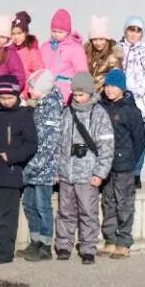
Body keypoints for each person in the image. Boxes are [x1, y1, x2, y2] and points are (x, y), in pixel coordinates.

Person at [54, 71, 113, 265]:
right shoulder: (67, 113)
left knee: (88, 212)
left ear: (90, 92)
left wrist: (100, 173)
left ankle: (88, 248)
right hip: (66, 173)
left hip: (87, 174)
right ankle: (63, 244)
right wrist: (56, 169)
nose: (77, 98)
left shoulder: (98, 114)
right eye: (75, 94)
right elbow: (58, 144)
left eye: (81, 94)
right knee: (65, 211)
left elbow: (106, 146)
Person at [0, 74, 37, 264]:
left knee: (7, 214)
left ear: (17, 95)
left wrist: (12, 156)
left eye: (9, 98)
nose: (5, 102)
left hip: (11, 171)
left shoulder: (24, 115)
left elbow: (31, 144)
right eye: (2, 98)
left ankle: (4, 251)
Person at [98, 69, 145, 259]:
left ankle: (124, 241)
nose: (109, 90)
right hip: (106, 165)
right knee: (108, 202)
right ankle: (110, 239)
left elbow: (140, 140)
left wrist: (131, 161)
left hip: (124, 165)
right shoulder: (101, 107)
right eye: (107, 86)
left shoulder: (131, 110)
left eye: (114, 86)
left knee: (124, 204)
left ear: (122, 88)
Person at [20, 69, 62, 262]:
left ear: (42, 88)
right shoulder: (38, 104)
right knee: (29, 204)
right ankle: (35, 240)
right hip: (31, 165)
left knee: (43, 206)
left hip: (43, 167)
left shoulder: (51, 106)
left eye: (32, 87)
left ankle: (45, 244)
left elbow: (50, 142)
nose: (29, 90)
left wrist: (35, 164)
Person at [119, 15, 145, 188]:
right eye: (131, 30)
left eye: (137, 31)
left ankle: (136, 173)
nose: (134, 34)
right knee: (120, 137)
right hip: (118, 99)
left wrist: (138, 91)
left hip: (137, 100)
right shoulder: (117, 48)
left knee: (138, 138)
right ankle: (120, 172)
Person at [41, 8, 86, 104]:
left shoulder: (76, 48)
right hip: (45, 94)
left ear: (68, 31)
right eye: (54, 31)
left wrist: (78, 94)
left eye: (60, 32)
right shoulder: (45, 47)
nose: (56, 34)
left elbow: (82, 73)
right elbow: (40, 69)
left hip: (66, 95)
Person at [0, 12, 26, 92]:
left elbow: (19, 75)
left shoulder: (10, 53)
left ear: (8, 38)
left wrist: (10, 93)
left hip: (3, 96)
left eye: (2, 37)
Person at [85, 16, 123, 93]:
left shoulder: (113, 55)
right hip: (89, 95)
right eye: (95, 39)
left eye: (101, 39)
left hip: (104, 96)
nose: (98, 43)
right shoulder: (88, 52)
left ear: (107, 39)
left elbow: (116, 79)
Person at [9, 11, 44, 92]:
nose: (16, 37)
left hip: (27, 94)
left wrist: (28, 91)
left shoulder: (32, 51)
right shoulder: (9, 51)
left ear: (26, 33)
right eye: (13, 34)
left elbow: (39, 74)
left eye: (19, 33)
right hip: (12, 94)